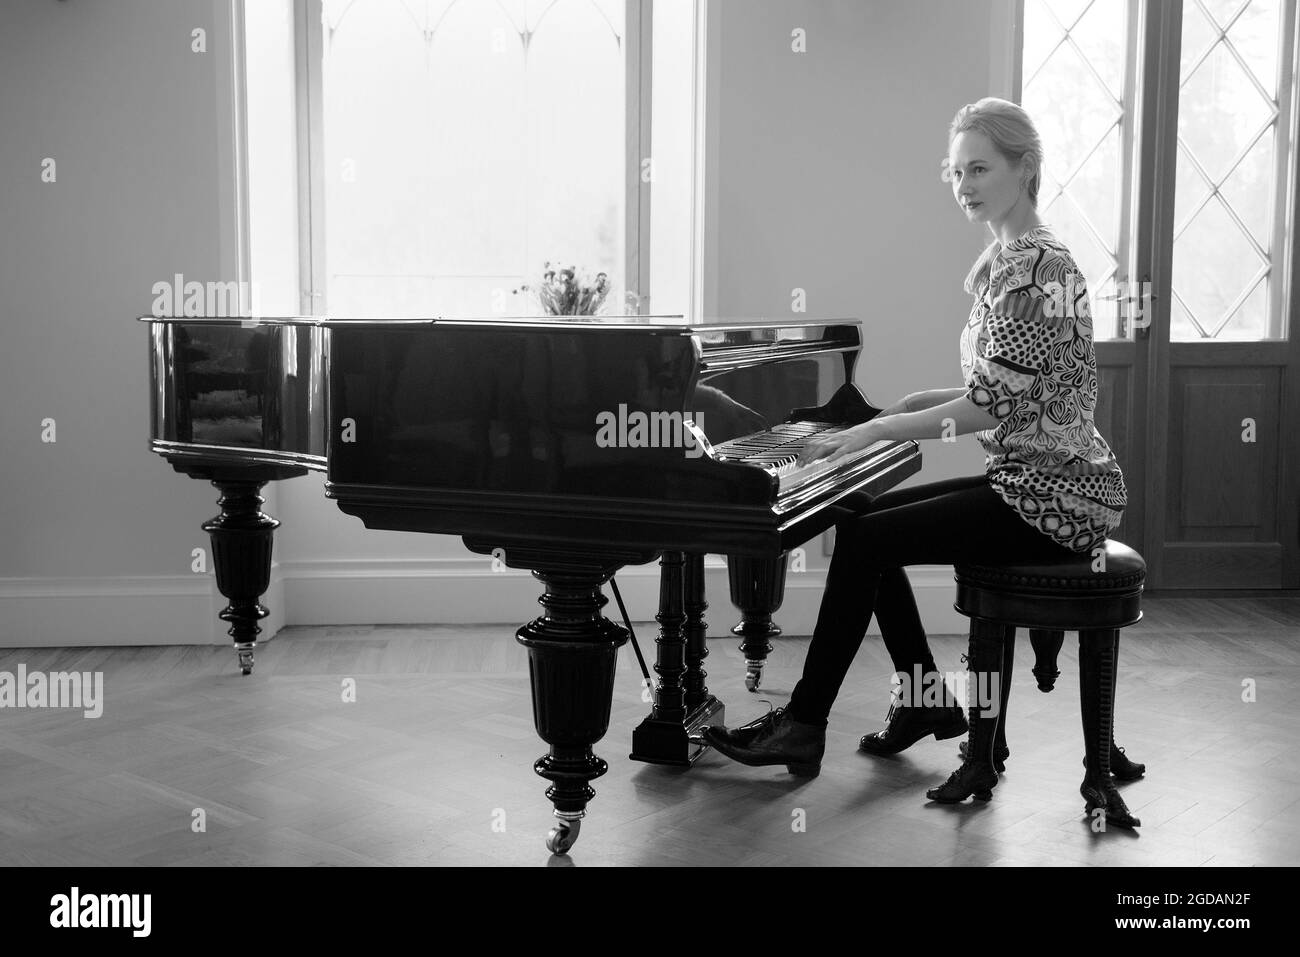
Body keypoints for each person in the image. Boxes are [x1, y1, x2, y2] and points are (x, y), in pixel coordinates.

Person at [701, 97, 1134, 812]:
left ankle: (805, 722)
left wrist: (876, 432)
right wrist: (906, 406)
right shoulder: (1011, 259)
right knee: (863, 517)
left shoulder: (1036, 269)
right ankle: (923, 702)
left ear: (1025, 168)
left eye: (980, 168)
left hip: (1057, 494)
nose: (964, 184)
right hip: (1027, 478)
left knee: (867, 534)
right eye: (955, 170)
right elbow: (998, 385)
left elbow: (987, 409)